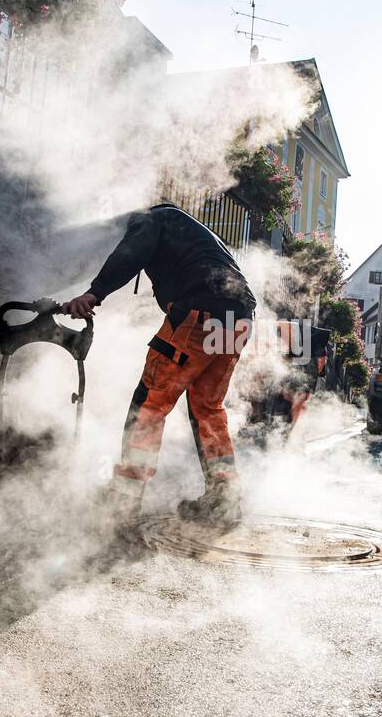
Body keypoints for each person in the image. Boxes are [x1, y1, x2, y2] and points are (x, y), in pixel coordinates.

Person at [64, 202, 256, 527]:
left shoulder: (152, 219)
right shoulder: (195, 233)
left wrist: (94, 294)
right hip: (240, 319)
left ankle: (124, 496)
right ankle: (224, 498)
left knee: (149, 403)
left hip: (199, 315)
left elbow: (131, 253)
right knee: (207, 409)